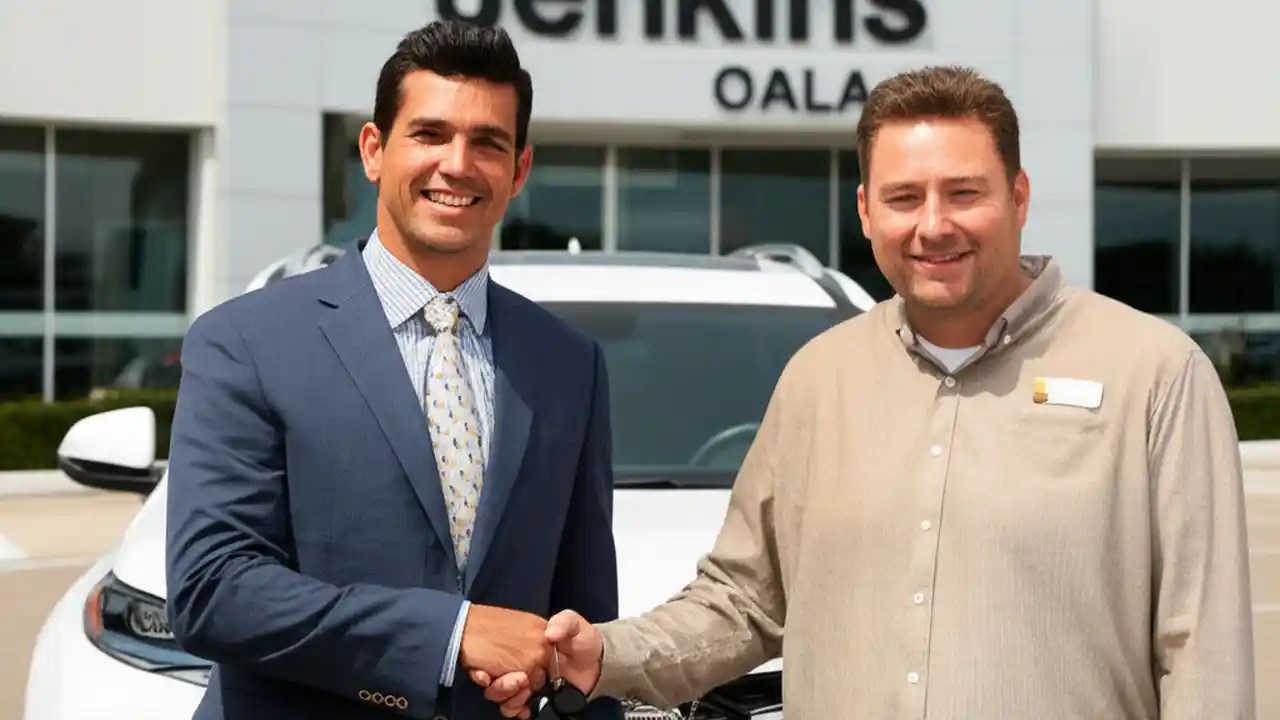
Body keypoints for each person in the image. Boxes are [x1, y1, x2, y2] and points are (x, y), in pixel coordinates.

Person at [479, 65, 1257, 719]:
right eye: (904, 197)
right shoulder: (820, 379)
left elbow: (1203, 652)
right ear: (865, 210)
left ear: (1019, 196)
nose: (934, 225)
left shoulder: (1154, 373)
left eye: (964, 193)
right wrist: (603, 652)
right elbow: (745, 603)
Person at [165, 19, 622, 720]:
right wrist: (451, 635)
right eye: (430, 134)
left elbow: (580, 625)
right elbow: (213, 589)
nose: (458, 164)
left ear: (519, 171)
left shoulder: (568, 364)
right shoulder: (245, 342)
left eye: (488, 144)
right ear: (375, 151)